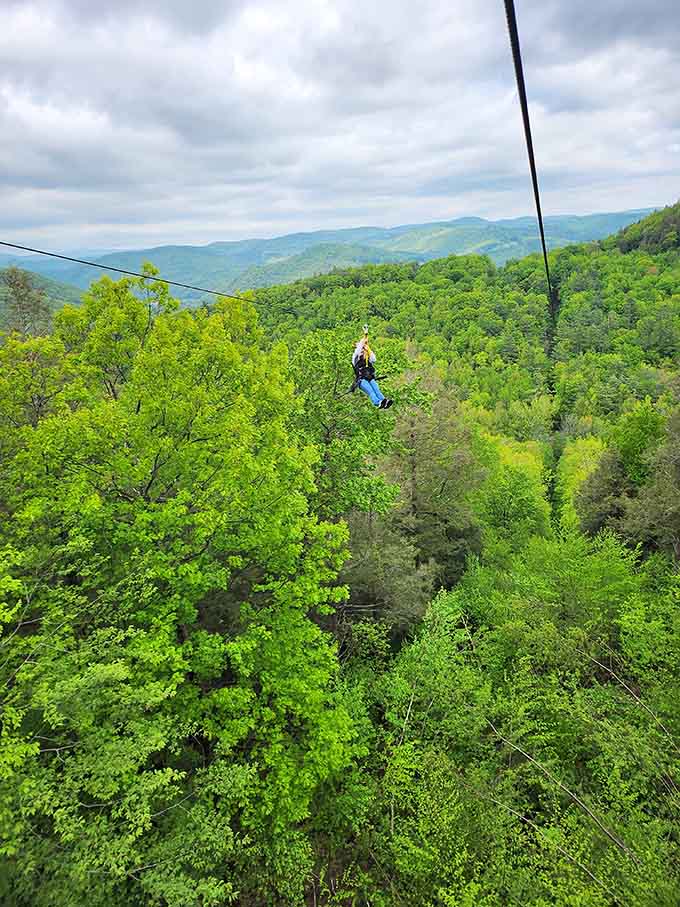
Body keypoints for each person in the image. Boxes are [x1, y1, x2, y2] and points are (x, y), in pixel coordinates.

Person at [352, 334, 393, 409]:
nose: (362, 352)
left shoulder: (369, 360)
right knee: (371, 391)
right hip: (361, 380)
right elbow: (357, 351)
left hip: (370, 378)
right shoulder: (355, 358)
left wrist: (368, 348)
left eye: (363, 351)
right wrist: (363, 340)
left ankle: (384, 401)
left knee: (377, 390)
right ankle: (377, 402)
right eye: (361, 350)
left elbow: (374, 359)